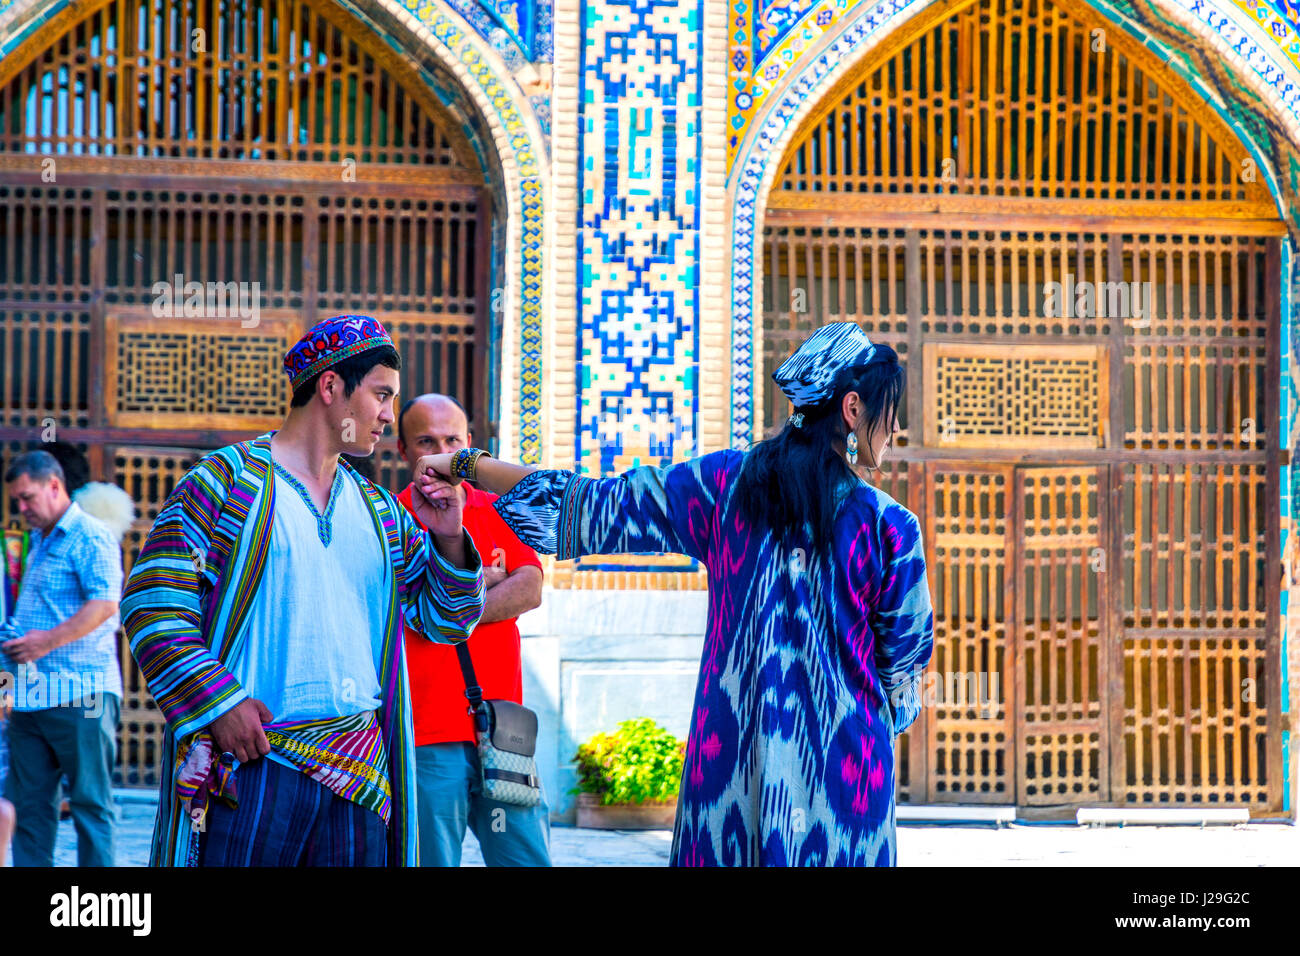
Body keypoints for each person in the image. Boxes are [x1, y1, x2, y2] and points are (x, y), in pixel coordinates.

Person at [413, 322, 934, 866]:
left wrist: (466, 465)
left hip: (729, 767)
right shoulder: (890, 527)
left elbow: (593, 505)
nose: (893, 428)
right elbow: (902, 675)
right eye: (888, 411)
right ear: (852, 409)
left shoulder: (723, 487)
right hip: (844, 779)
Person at [120, 315, 485, 867]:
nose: (389, 416)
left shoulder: (380, 509)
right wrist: (220, 703)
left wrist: (451, 534)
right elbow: (152, 603)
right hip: (255, 764)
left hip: (361, 777)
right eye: (381, 395)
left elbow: (446, 620)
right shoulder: (226, 481)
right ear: (331, 386)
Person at [396, 394, 550, 866]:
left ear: (469, 445)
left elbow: (530, 589)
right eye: (427, 442)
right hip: (426, 735)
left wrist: (447, 598)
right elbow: (398, 608)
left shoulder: (500, 509)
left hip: (503, 731)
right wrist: (482, 581)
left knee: (524, 858)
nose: (441, 452)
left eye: (452, 441)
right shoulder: (390, 518)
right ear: (403, 452)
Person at [1, 451, 124, 867]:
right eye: (16, 500)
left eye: (27, 498)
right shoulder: (35, 540)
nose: (21, 508)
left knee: (90, 806)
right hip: (32, 697)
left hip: (82, 693)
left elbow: (106, 604)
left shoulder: (90, 535)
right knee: (29, 809)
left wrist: (44, 643)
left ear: (55, 486)